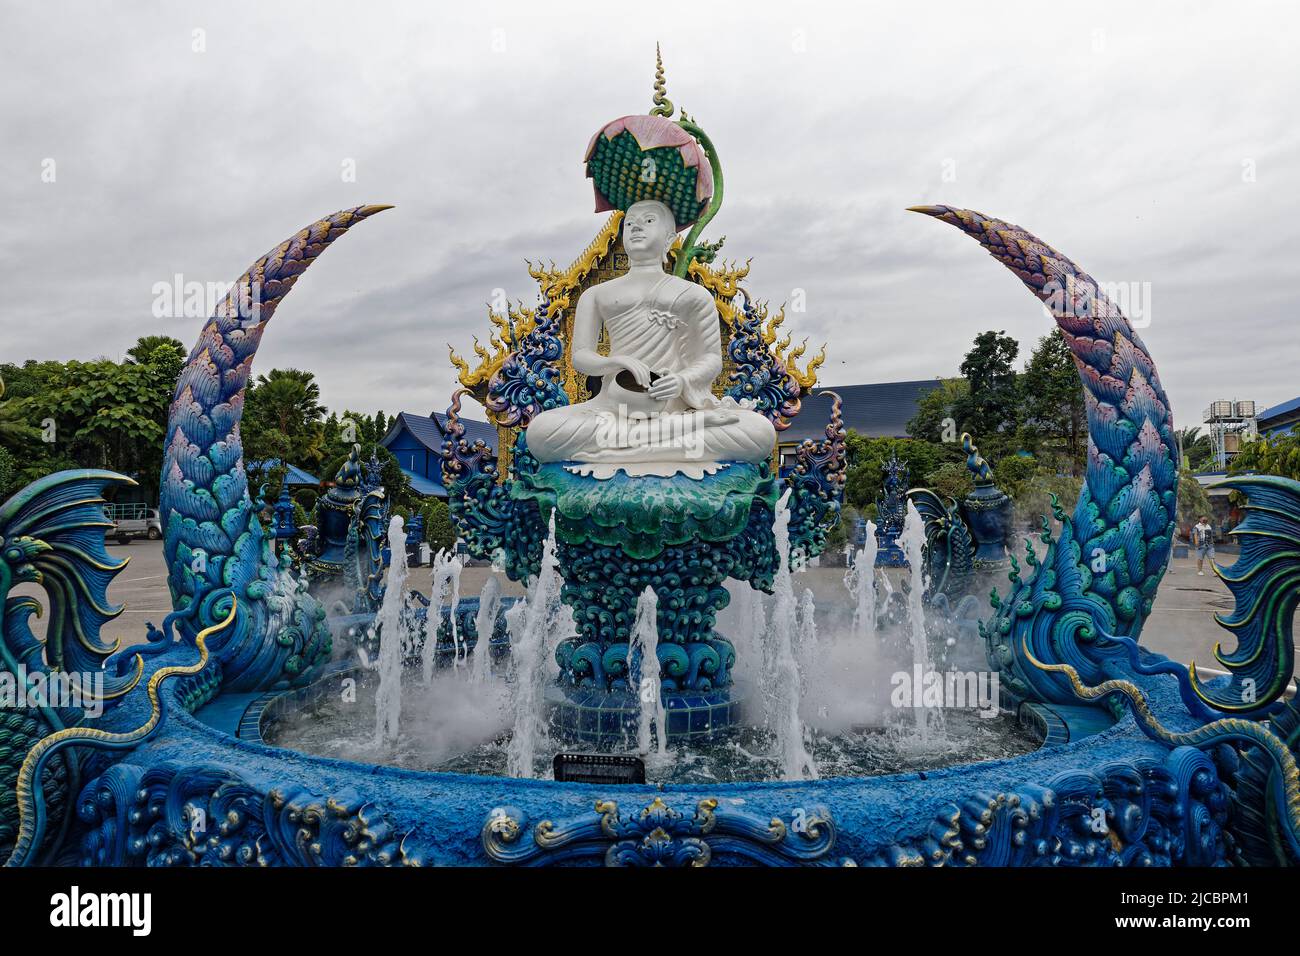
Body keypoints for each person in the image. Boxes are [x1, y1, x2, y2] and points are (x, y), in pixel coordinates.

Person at [526, 200, 776, 477]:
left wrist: (681, 380)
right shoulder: (597, 294)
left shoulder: (695, 295)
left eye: (648, 221)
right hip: (614, 411)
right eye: (630, 223)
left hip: (674, 411)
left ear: (670, 238)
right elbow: (581, 357)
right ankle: (664, 442)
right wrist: (615, 362)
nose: (636, 228)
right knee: (540, 432)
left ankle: (626, 447)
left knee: (759, 433)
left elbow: (710, 359)